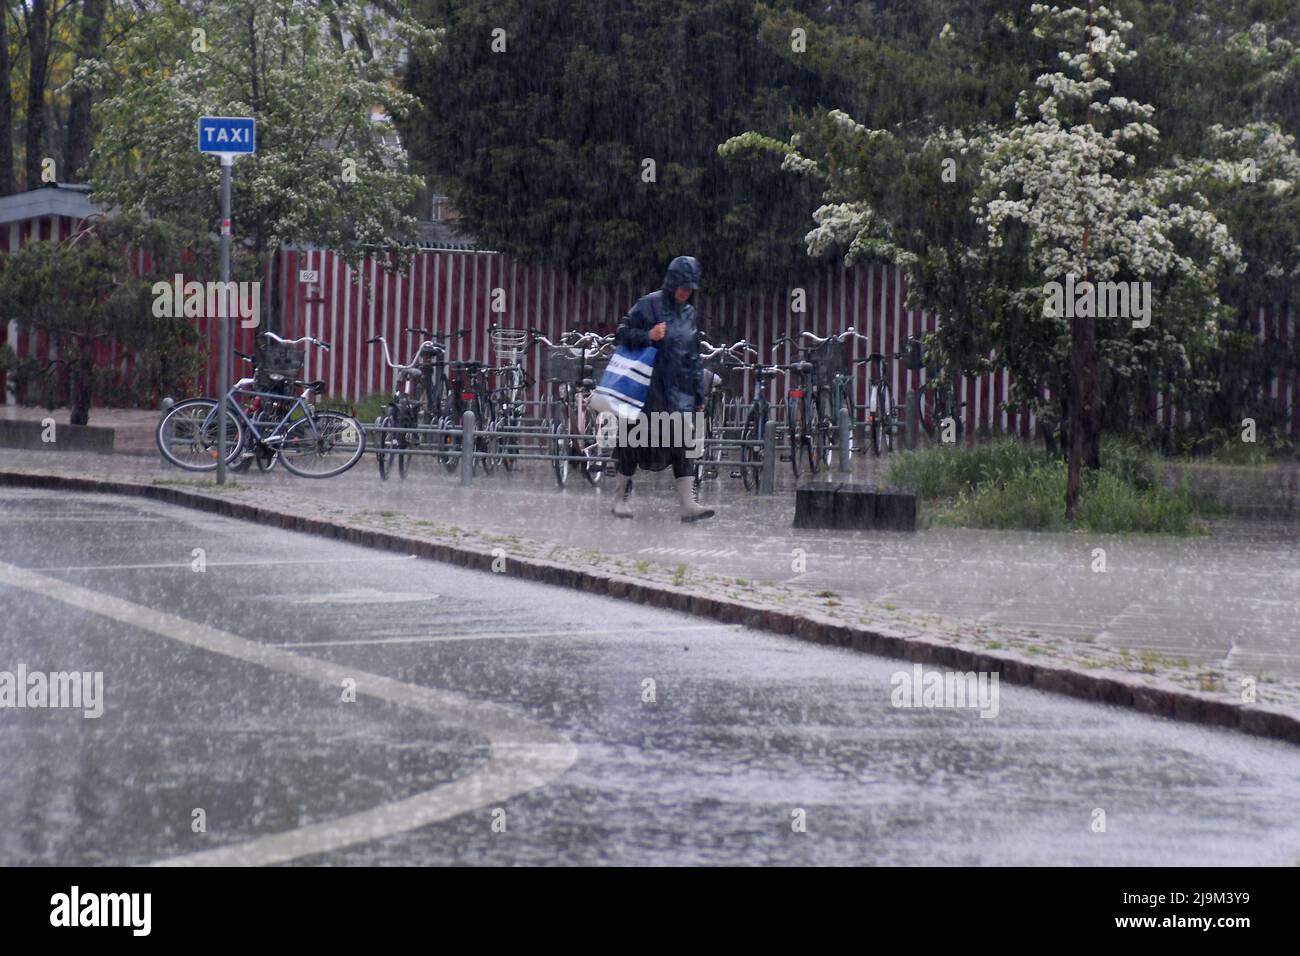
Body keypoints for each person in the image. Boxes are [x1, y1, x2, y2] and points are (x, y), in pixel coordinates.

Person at [609, 255, 715, 522]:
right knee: (633, 442)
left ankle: (688, 504)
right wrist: (648, 336)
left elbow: (693, 357)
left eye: (690, 288)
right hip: (646, 390)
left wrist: (698, 396)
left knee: (683, 443)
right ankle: (620, 498)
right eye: (682, 286)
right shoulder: (649, 305)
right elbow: (620, 335)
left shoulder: (689, 314)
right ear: (671, 282)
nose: (686, 292)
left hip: (677, 393)